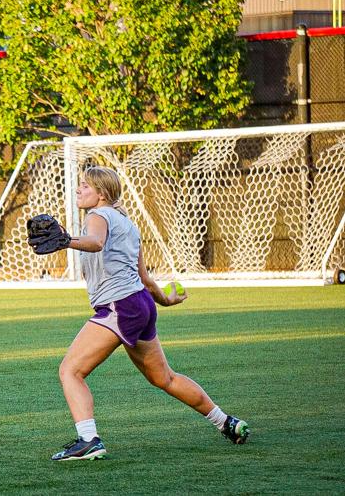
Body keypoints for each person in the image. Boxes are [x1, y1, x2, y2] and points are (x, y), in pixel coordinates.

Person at [50, 166, 250, 461]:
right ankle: (226, 422)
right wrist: (166, 301)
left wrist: (66, 241)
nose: (78, 189)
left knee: (71, 371)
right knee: (164, 379)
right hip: (140, 304)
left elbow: (95, 243)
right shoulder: (127, 223)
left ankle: (88, 440)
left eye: (85, 186)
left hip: (120, 306)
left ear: (102, 194)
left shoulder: (98, 216)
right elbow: (144, 278)